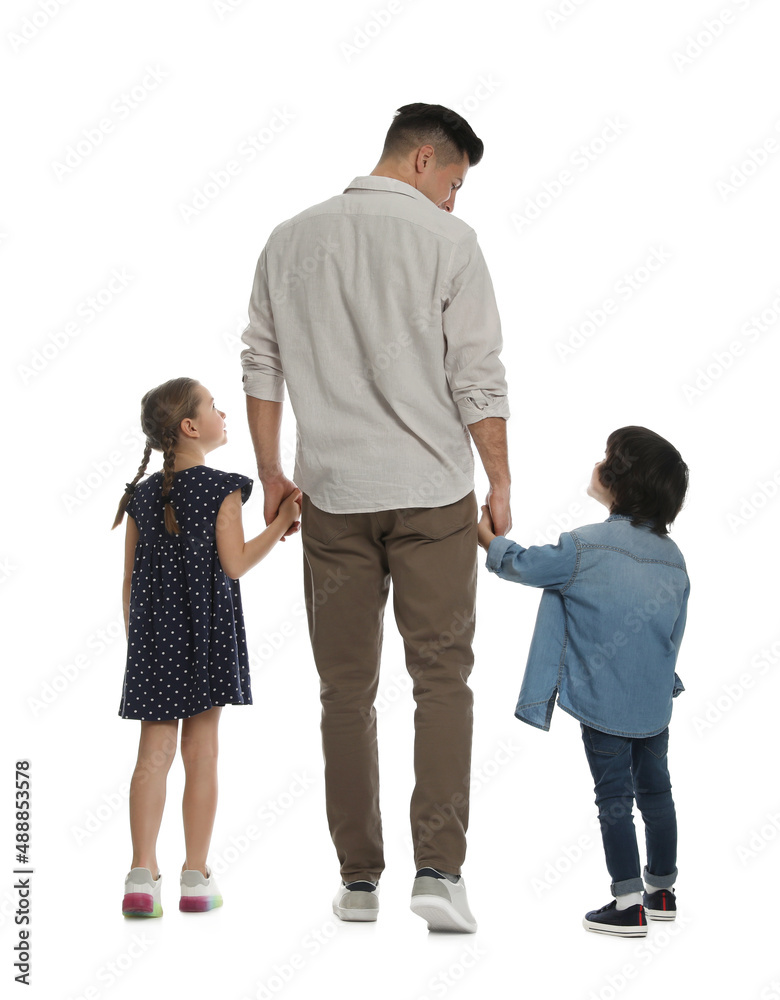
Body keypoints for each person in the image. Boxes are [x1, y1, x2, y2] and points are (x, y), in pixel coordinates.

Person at [240, 103, 511, 932]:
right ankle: (438, 873)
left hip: (330, 500)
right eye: (455, 183)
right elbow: (477, 374)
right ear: (425, 159)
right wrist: (499, 482)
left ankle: (358, 882)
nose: (455, 202)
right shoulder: (448, 243)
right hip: (432, 495)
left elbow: (261, 359)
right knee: (442, 683)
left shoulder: (289, 238)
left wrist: (273, 474)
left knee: (343, 694)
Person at [477, 426, 689, 937]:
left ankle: (628, 903)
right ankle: (661, 890)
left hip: (602, 703)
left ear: (618, 481)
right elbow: (674, 633)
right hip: (652, 702)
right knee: (656, 793)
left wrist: (488, 540)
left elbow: (525, 566)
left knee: (613, 797)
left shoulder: (584, 548)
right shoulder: (674, 559)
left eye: (607, 457)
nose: (598, 463)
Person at [112, 377, 301, 917]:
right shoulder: (222, 487)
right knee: (202, 753)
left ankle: (140, 876)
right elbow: (236, 563)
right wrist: (285, 521)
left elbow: (127, 582)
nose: (224, 413)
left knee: (152, 757)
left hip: (151, 643)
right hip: (205, 639)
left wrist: (139, 643)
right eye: (216, 407)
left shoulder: (140, 497)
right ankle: (195, 877)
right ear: (191, 427)